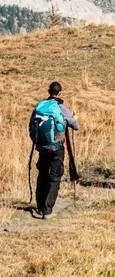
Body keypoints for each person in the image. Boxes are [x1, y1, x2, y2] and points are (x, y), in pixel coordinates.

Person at [29, 81, 79, 219]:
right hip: (57, 147)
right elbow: (75, 126)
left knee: (42, 174)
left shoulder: (40, 106)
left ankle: (40, 208)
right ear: (60, 93)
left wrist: (37, 142)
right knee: (55, 176)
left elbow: (31, 127)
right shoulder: (60, 106)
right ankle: (47, 209)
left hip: (42, 147)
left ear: (48, 91)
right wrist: (74, 118)